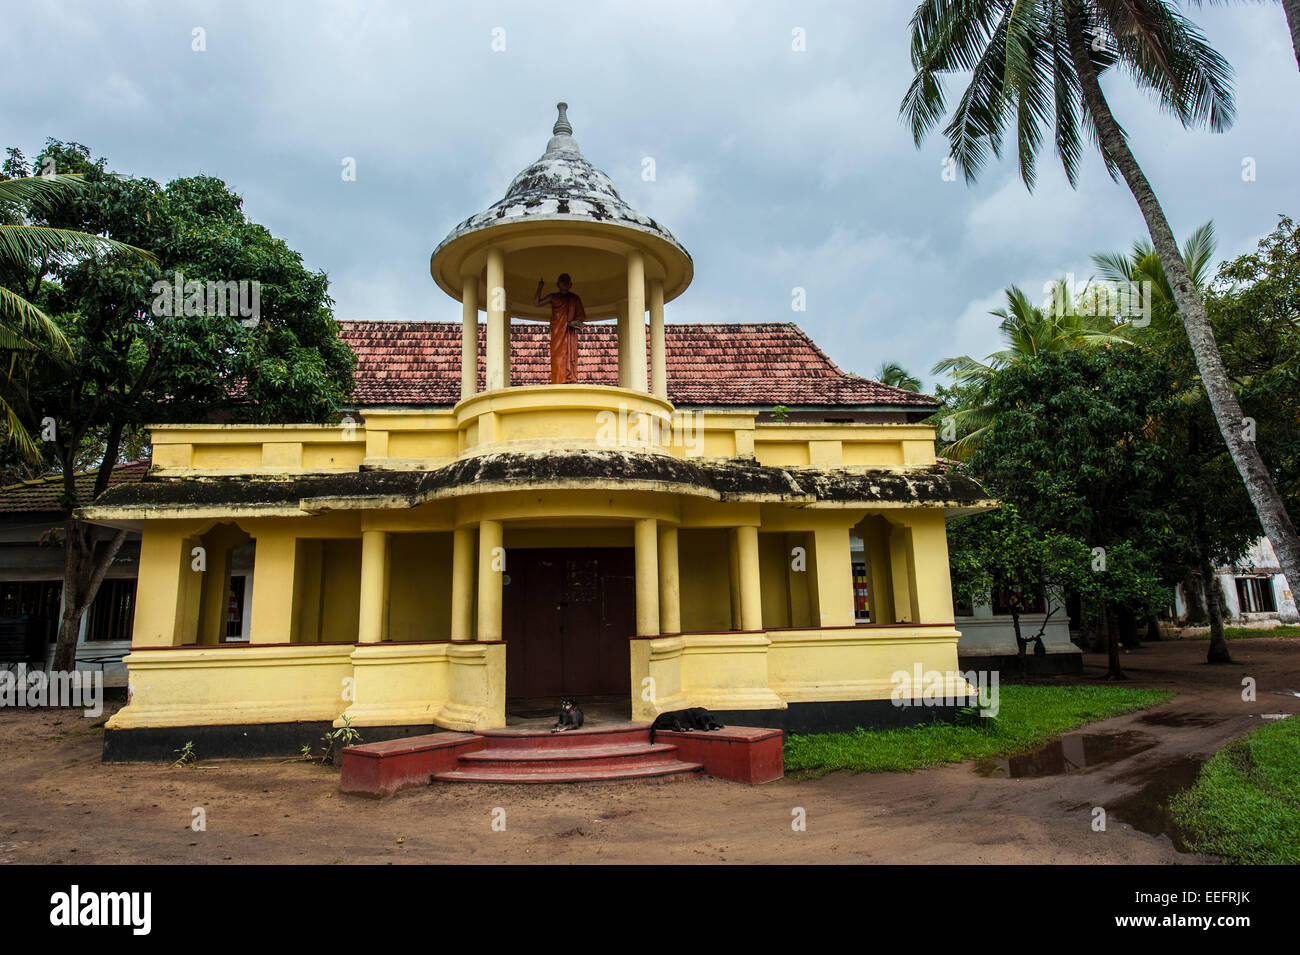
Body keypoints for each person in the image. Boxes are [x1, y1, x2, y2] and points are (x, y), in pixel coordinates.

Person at [534, 273, 586, 384]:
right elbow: (537, 303)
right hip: (557, 331)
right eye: (562, 281)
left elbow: (581, 316)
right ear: (558, 284)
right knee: (557, 357)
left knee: (570, 355)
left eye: (567, 281)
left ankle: (570, 377)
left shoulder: (575, 298)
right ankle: (558, 380)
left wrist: (574, 322)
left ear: (571, 284)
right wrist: (540, 287)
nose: (565, 283)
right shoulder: (553, 297)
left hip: (569, 332)